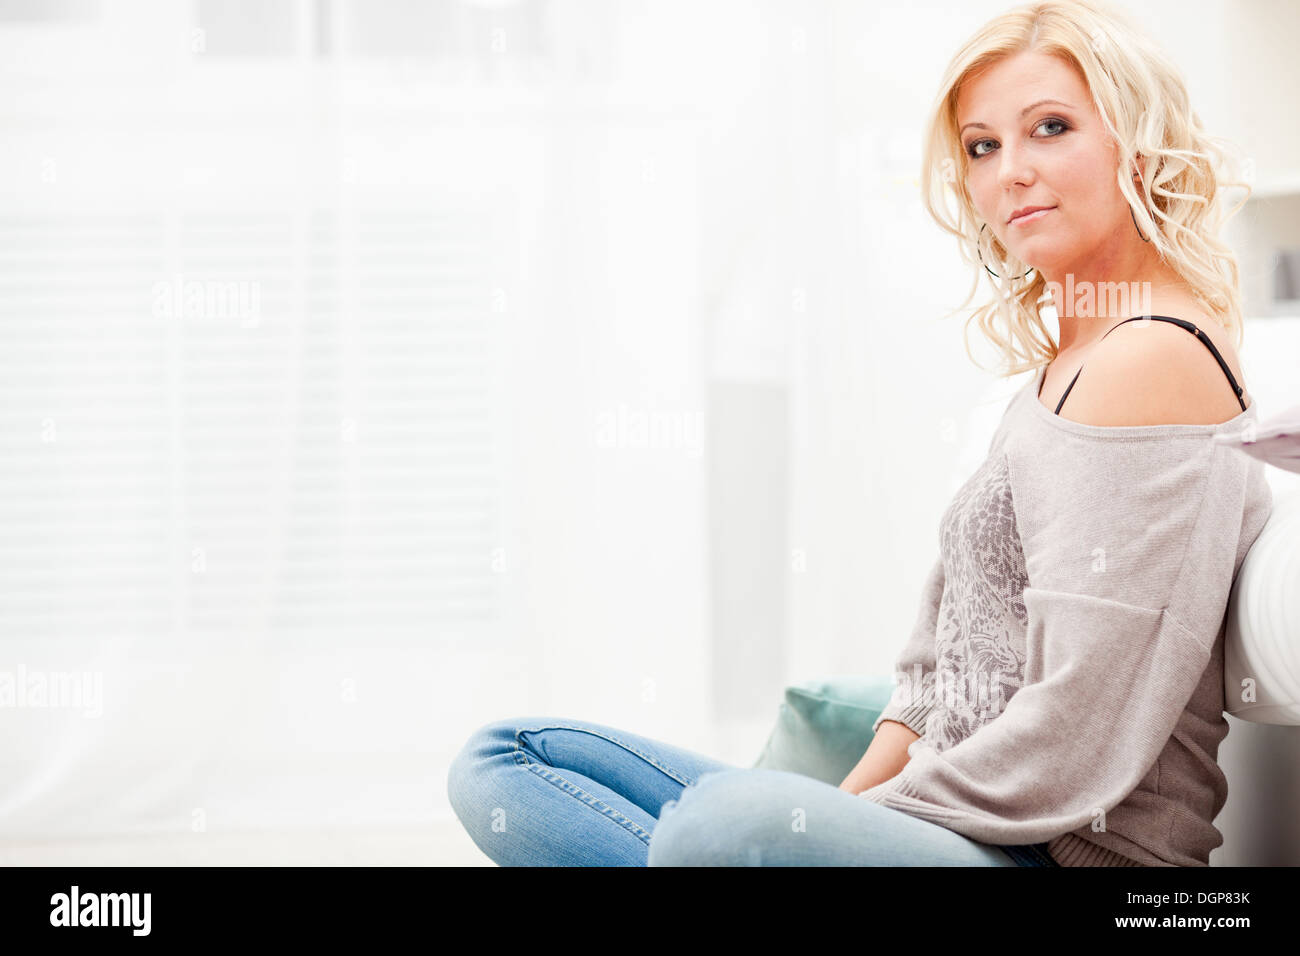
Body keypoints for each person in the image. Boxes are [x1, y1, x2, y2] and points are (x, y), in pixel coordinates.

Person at [445, 0, 1272, 867]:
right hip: (953, 821)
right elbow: (931, 677)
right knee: (507, 761)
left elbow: (1075, 732)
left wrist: (839, 822)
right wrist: (831, 819)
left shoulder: (1150, 359)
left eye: (1050, 128)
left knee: (717, 827)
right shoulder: (1068, 361)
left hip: (1056, 853)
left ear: (1135, 142)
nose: (1011, 172)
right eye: (983, 146)